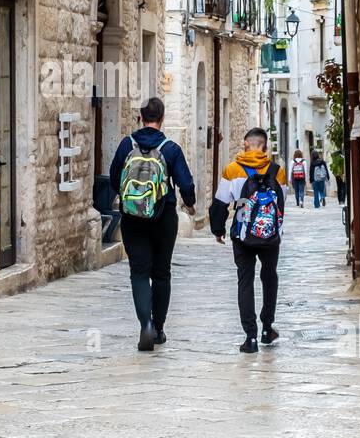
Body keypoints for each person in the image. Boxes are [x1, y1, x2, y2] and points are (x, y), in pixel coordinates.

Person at [110, 97, 196, 352]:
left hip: (132, 218)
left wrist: (131, 199)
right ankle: (158, 329)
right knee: (161, 272)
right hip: (163, 217)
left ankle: (144, 323)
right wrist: (190, 203)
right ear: (162, 117)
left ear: (140, 117)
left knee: (138, 271)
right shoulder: (170, 149)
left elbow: (115, 178)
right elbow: (186, 184)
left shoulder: (127, 144)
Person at [209, 128, 287, 354]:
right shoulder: (277, 172)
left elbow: (221, 203)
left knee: (245, 281)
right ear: (264, 147)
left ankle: (250, 337)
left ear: (245, 145)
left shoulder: (232, 170)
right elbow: (280, 205)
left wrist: (218, 229)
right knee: (269, 277)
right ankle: (267, 328)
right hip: (270, 235)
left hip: (242, 235)